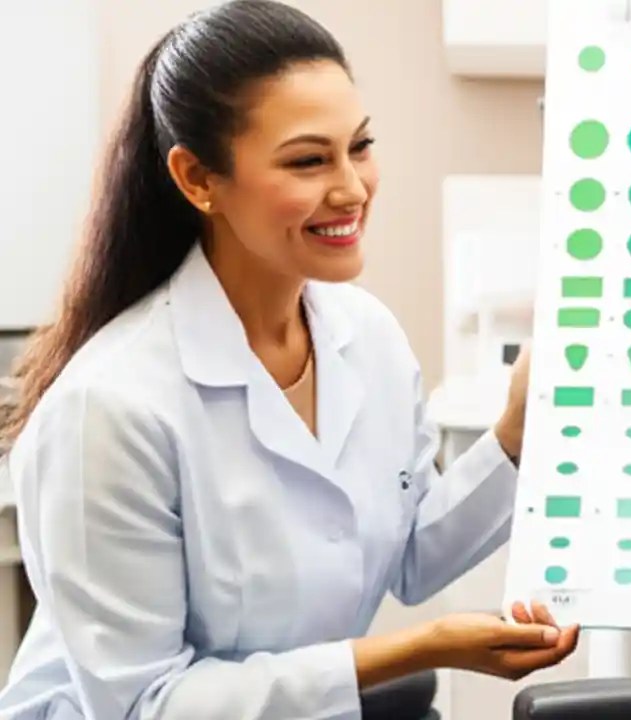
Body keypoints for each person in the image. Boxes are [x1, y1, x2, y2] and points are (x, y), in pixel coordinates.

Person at [0, 2, 577, 718]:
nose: (352, 188)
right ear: (197, 178)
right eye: (309, 160)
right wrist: (418, 649)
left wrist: (516, 434)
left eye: (359, 147)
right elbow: (145, 704)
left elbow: (409, 553)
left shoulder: (365, 336)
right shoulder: (109, 410)